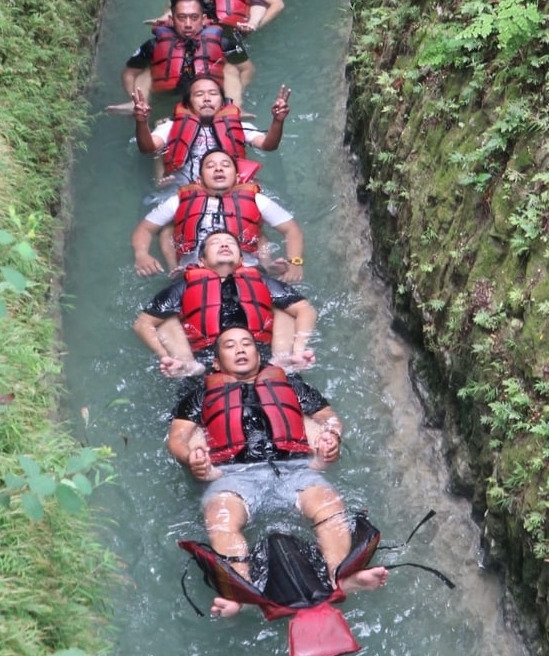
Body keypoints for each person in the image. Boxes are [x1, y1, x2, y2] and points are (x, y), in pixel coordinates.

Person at [168, 325, 388, 619]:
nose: (241, 349)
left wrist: (331, 439)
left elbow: (329, 419)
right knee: (221, 517)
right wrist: (191, 457)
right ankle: (243, 594)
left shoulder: (291, 385)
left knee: (329, 505)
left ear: (260, 356)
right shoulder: (199, 395)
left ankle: (340, 579)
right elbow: (177, 438)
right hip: (234, 475)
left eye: (247, 344)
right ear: (217, 363)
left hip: (294, 470)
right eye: (230, 346)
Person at [133, 230, 316, 375]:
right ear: (202, 262)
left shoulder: (262, 282)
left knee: (284, 309)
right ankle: (185, 365)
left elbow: (305, 310)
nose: (224, 244)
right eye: (215, 243)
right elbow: (143, 323)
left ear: (242, 260)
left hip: (259, 354)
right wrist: (163, 355)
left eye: (230, 243)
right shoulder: (184, 287)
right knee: (165, 319)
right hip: (205, 359)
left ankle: (284, 359)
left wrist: (299, 347)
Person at [130, 148, 303, 275]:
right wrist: (142, 254)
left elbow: (291, 229)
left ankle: (267, 266)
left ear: (236, 178)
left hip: (247, 271)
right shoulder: (178, 201)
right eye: (210, 166)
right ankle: (174, 271)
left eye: (225, 165)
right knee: (168, 229)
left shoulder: (257, 200)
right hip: (193, 273)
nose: (218, 169)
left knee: (259, 232)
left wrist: (295, 262)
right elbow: (145, 229)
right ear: (199, 179)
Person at [132, 77, 290, 187]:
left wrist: (278, 120)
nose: (207, 99)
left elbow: (268, 145)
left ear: (223, 102)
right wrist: (141, 121)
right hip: (184, 188)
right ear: (188, 103)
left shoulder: (239, 126)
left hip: (229, 186)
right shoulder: (170, 126)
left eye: (213, 94)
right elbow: (148, 148)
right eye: (199, 94)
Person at [114, 0, 244, 109]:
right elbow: (129, 73)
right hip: (168, 94)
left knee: (230, 68)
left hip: (207, 93)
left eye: (194, 18)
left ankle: (235, 106)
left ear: (203, 19)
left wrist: (238, 90)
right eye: (181, 18)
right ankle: (137, 102)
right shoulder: (154, 44)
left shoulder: (222, 43)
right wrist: (131, 93)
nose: (188, 24)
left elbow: (247, 69)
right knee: (147, 70)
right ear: (171, 19)